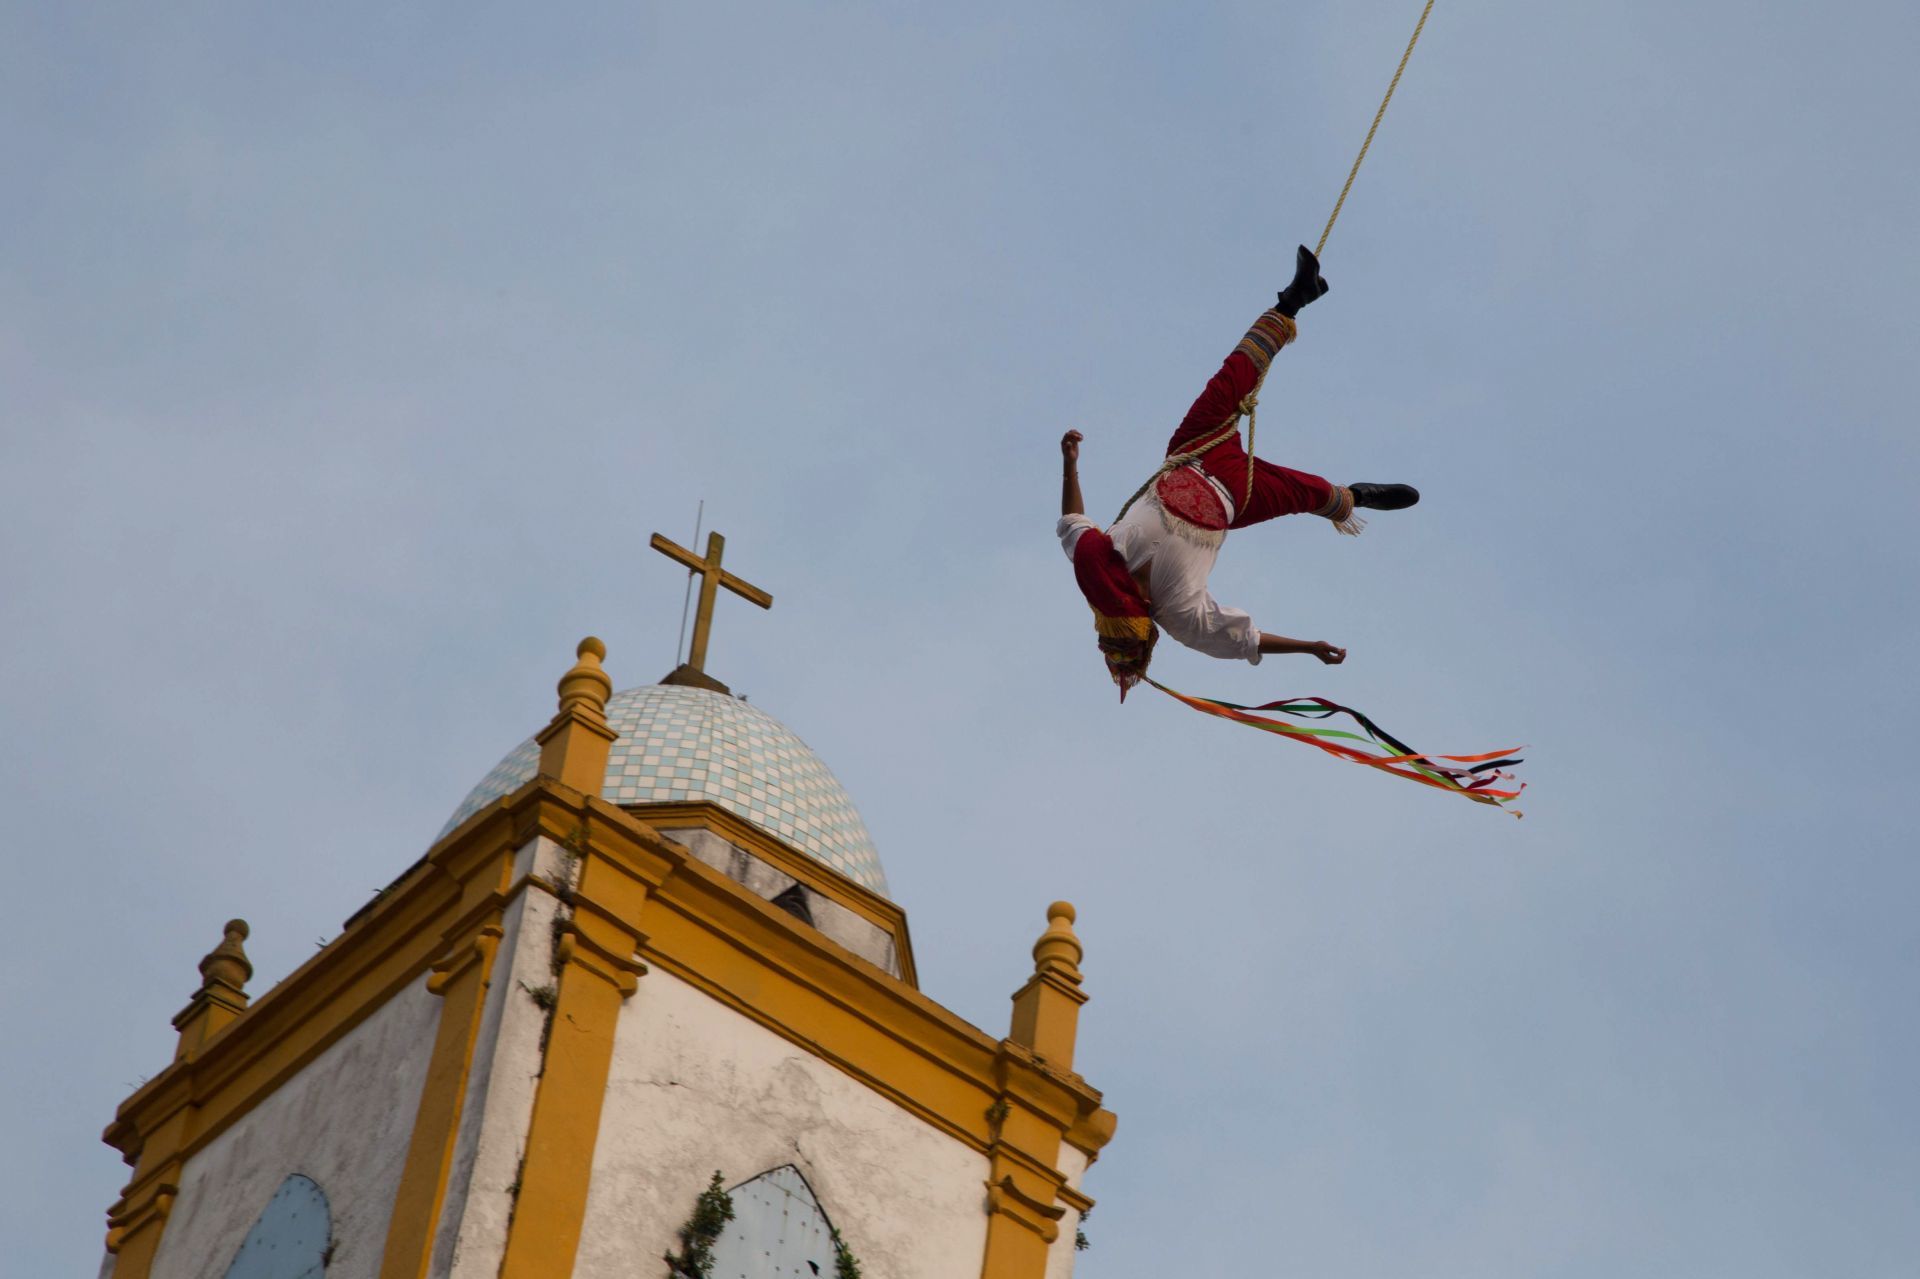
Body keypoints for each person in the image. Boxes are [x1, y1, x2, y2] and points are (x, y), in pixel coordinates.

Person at [1058, 246, 1420, 698]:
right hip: (1235, 496)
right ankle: (1355, 498)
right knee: (1305, 492)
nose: (1137, 597)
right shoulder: (1182, 616)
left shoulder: (1105, 554)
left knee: (1232, 378)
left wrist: (1070, 466)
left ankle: (1294, 299)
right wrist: (1309, 647)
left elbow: (1071, 524)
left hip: (1193, 451)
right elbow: (1247, 640)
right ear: (1146, 624)